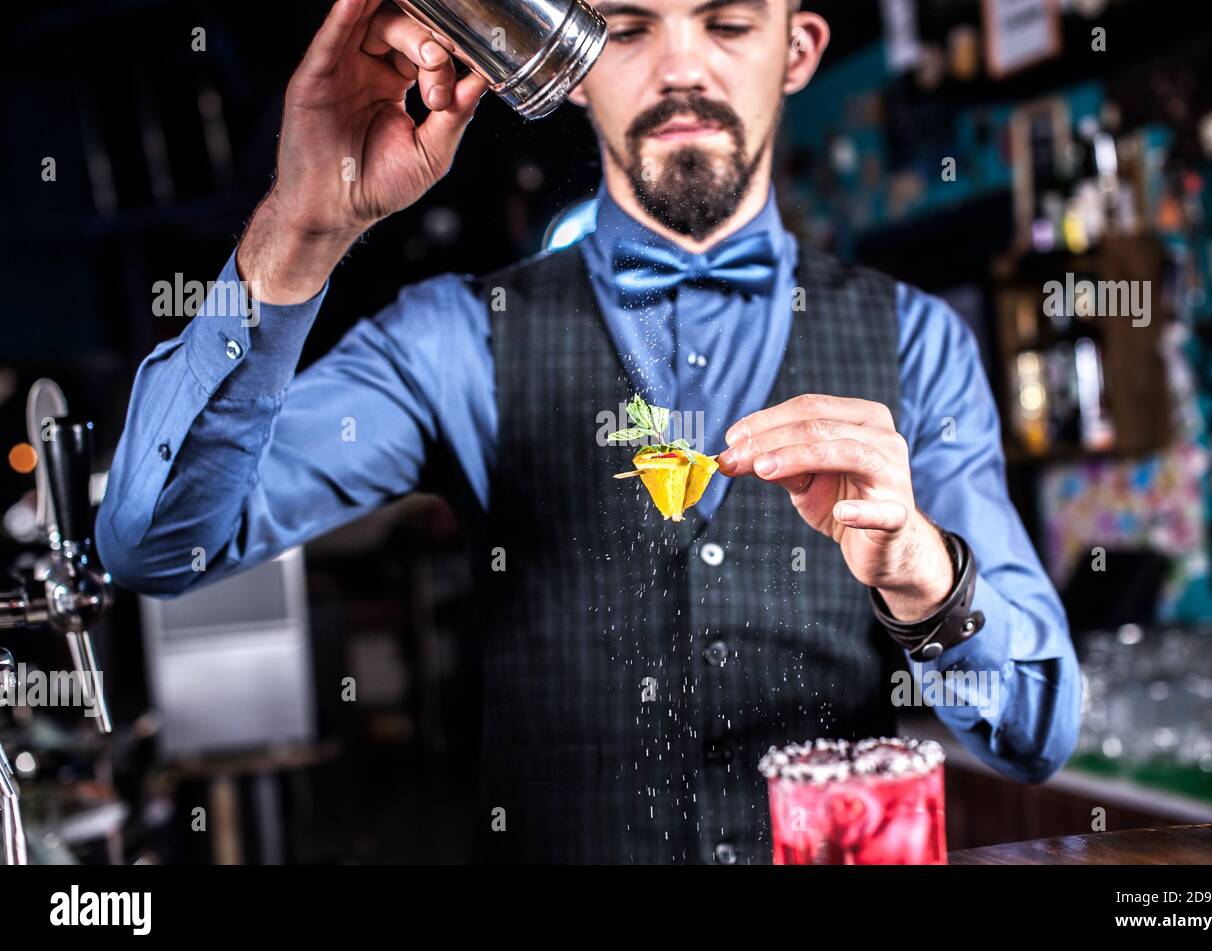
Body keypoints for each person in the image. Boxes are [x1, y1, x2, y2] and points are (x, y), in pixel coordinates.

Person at [97, 0, 1079, 864]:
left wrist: (923, 573)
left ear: (798, 49)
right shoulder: (452, 342)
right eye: (626, 26)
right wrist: (302, 227)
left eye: (730, 23)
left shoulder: (919, 344)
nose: (683, 68)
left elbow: (1036, 733)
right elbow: (157, 544)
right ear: (563, 63)